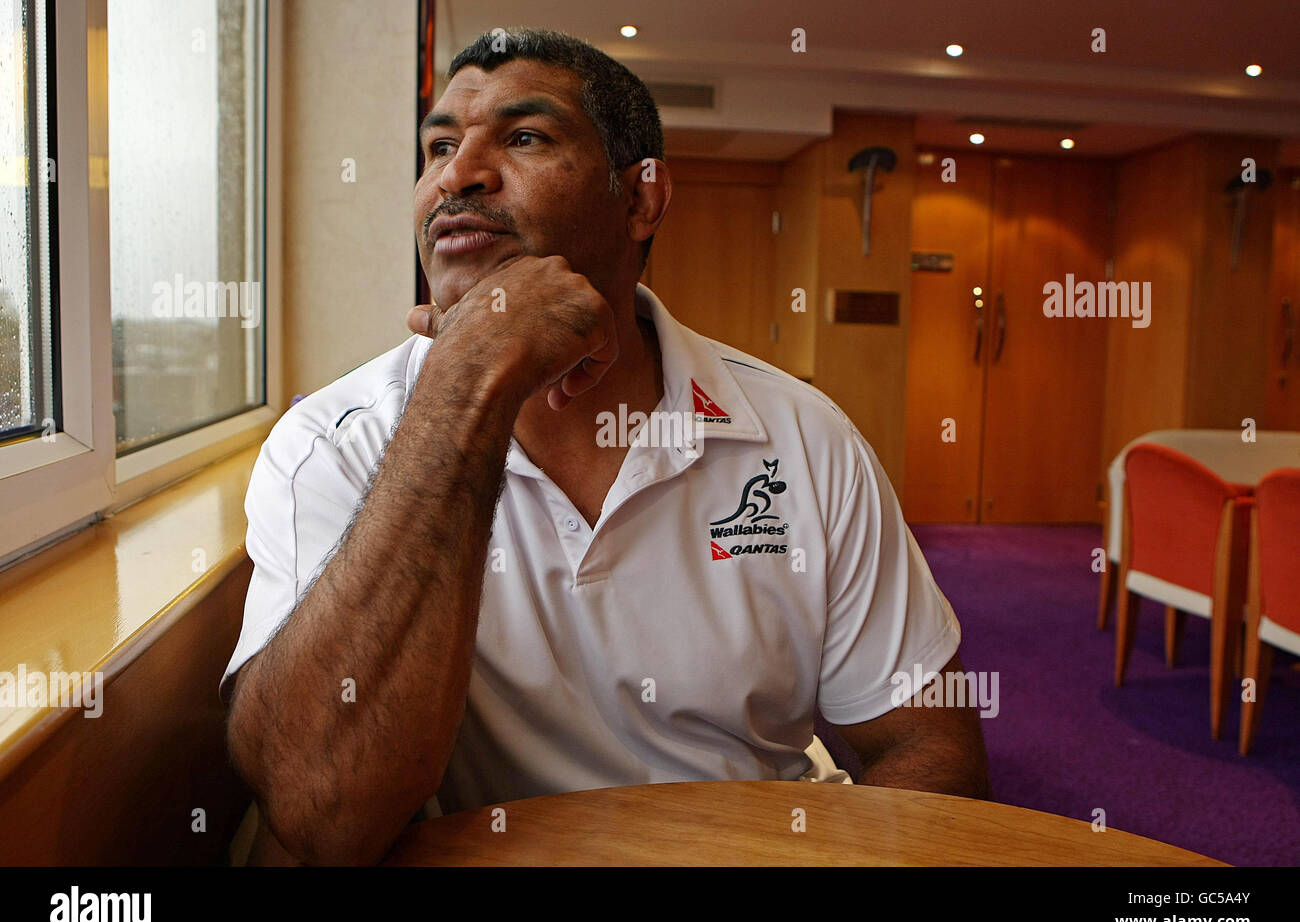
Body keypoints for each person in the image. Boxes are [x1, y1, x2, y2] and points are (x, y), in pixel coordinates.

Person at [223, 27, 990, 866]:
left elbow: (929, 748)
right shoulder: (331, 445)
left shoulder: (807, 438)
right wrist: (462, 389)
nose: (457, 174)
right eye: (440, 144)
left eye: (523, 137)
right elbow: (316, 810)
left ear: (640, 199)